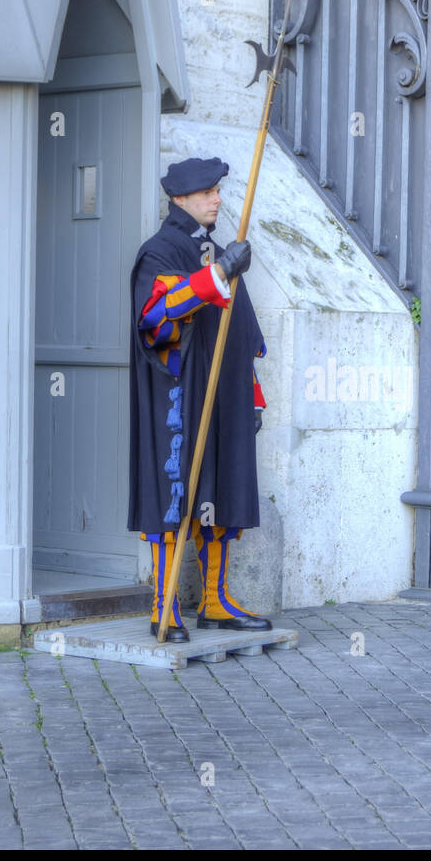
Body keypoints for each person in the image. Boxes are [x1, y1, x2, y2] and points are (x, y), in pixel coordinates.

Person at [127, 157, 272, 643]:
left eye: (218, 191)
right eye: (208, 192)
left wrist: (251, 394)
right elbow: (157, 315)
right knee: (174, 493)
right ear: (180, 199)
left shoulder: (217, 249)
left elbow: (242, 331)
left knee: (221, 487)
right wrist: (218, 275)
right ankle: (163, 606)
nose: (217, 199)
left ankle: (215, 599)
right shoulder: (159, 251)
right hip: (178, 395)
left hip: (224, 393)